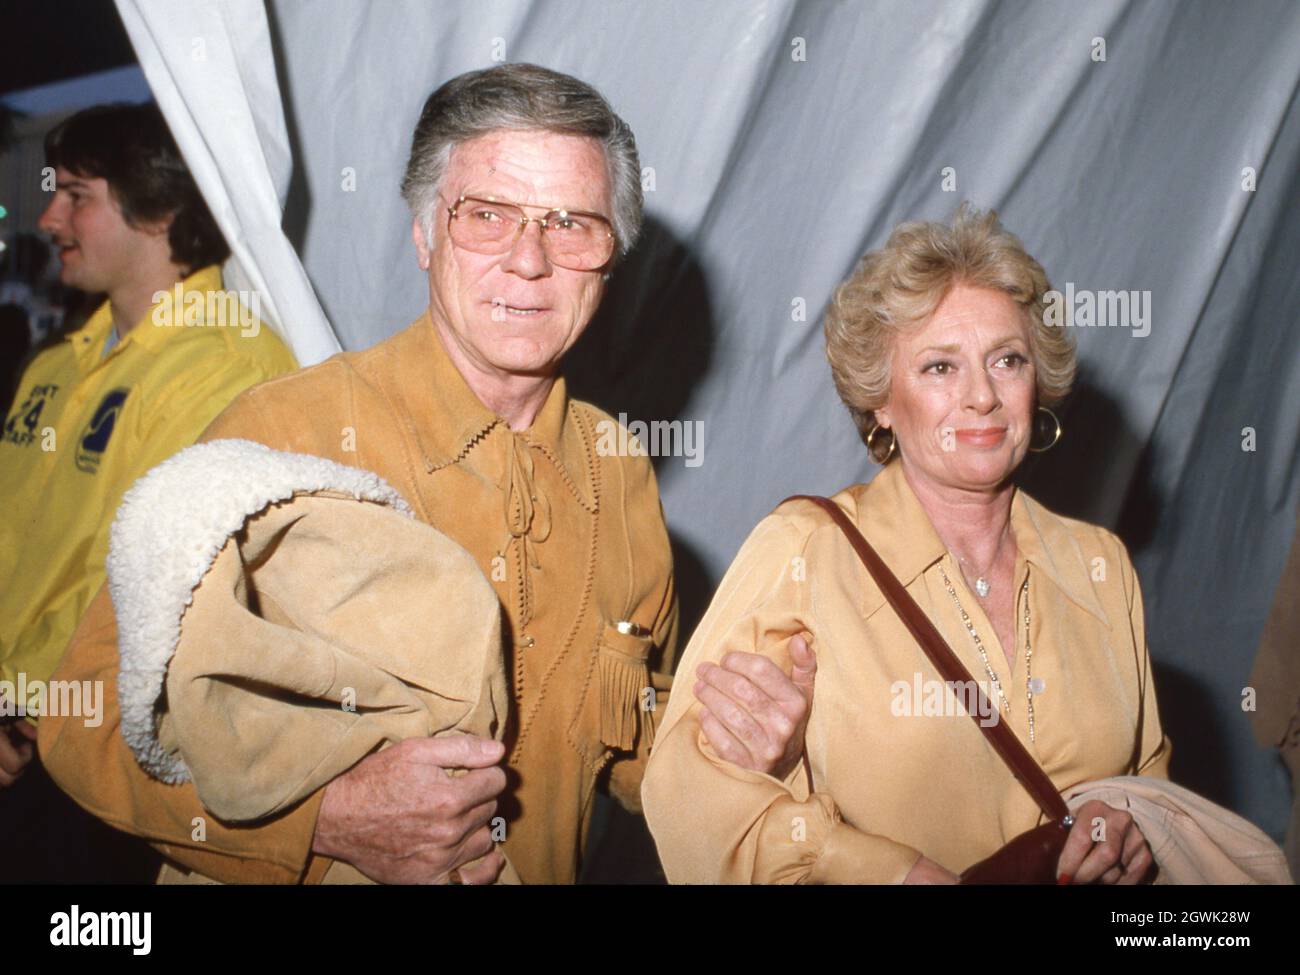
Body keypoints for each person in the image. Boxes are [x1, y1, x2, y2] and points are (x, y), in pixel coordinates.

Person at [39, 64, 808, 885]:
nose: (529, 261)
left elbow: (634, 747)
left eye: (571, 224)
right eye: (487, 215)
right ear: (424, 234)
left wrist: (734, 742)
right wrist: (325, 817)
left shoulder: (619, 472)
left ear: (610, 258)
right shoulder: (284, 432)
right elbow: (81, 719)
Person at [642, 204, 1171, 884]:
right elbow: (685, 794)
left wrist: (1129, 828)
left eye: (1006, 359)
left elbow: (1150, 774)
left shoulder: (1100, 564)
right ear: (881, 400)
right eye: (940, 367)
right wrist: (881, 869)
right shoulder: (805, 552)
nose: (981, 396)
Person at [0, 104, 297, 881]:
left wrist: (24, 705)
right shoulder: (57, 364)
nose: (47, 216)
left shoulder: (228, 364)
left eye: (76, 196)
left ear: (159, 210)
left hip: (78, 742)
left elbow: (146, 574)